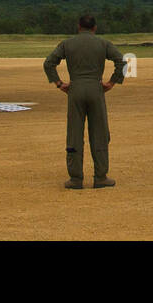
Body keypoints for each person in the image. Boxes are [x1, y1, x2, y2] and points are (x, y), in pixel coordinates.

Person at [43, 15, 126, 189]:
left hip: (75, 90)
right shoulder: (103, 43)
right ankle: (101, 177)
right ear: (94, 28)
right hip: (96, 90)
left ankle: (75, 178)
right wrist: (112, 82)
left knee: (74, 133)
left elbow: (49, 63)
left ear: (78, 27)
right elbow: (122, 61)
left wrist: (59, 83)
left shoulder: (67, 44)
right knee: (100, 134)